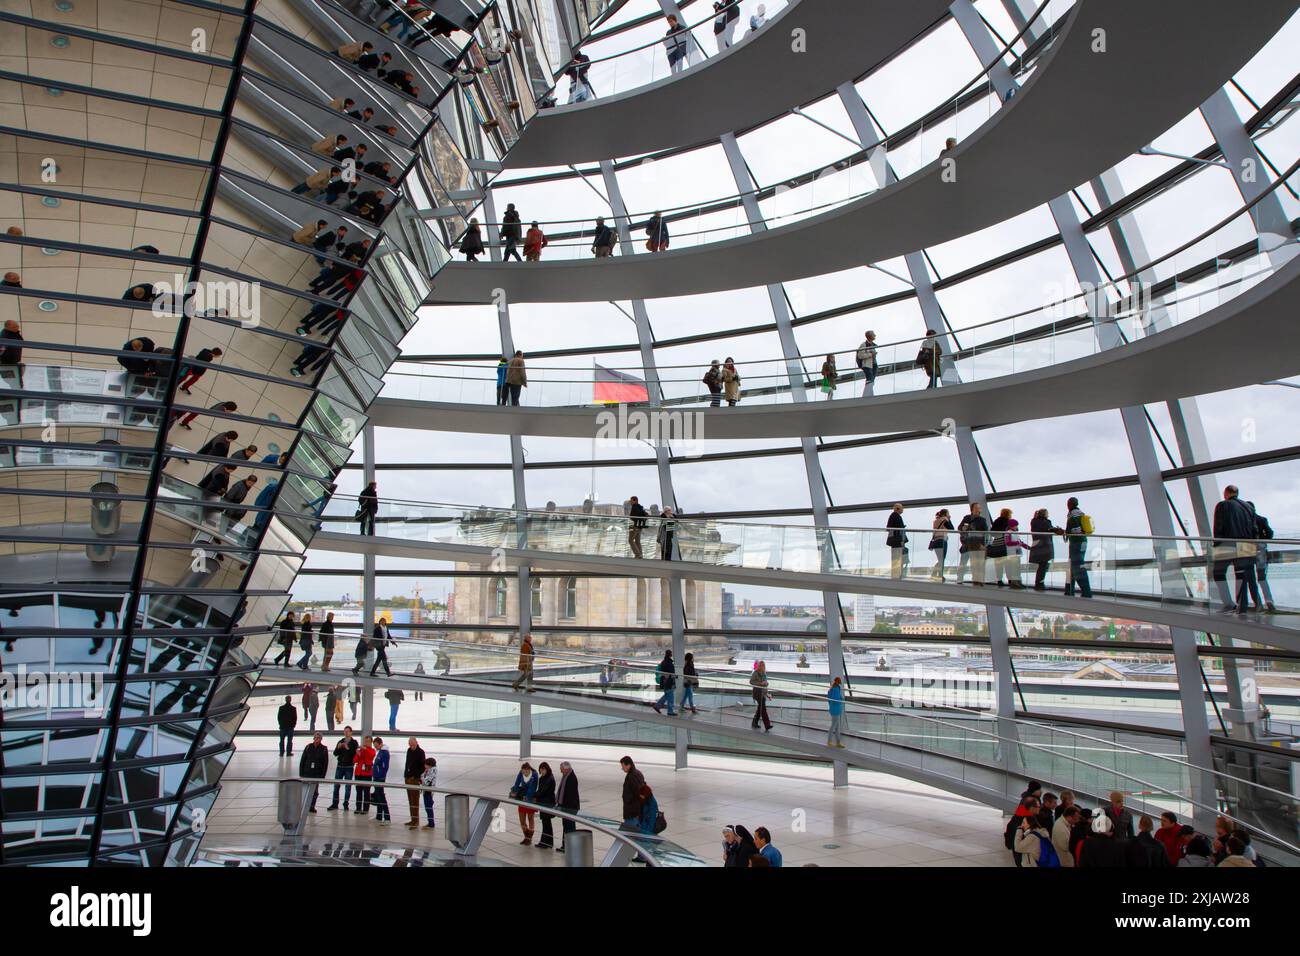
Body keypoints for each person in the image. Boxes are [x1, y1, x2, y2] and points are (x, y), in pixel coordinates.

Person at [1212, 484, 1262, 613]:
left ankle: (1229, 603)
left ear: (1227, 493)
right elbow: (1254, 529)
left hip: (1229, 546)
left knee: (1218, 572)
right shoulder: (1248, 507)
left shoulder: (1223, 505)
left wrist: (1217, 547)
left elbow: (1218, 527)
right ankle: (1248, 605)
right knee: (1244, 575)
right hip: (1247, 546)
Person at [1062, 497, 1094, 597]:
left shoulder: (1073, 514)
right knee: (1072, 566)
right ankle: (1069, 590)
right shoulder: (1080, 513)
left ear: (1070, 504)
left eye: (1068, 503)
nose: (1067, 505)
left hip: (1076, 542)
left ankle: (1086, 591)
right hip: (1083, 542)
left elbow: (1075, 530)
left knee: (1077, 566)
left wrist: (1064, 532)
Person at [1028, 508, 1062, 590]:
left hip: (1037, 546)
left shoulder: (1034, 521)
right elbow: (1051, 529)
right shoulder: (1046, 522)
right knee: (1043, 566)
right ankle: (1039, 584)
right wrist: (1058, 529)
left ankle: (1038, 583)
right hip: (1045, 546)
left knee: (1041, 566)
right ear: (1045, 514)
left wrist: (1034, 517)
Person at [327, 727, 358, 810]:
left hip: (349, 767)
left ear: (351, 732)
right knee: (336, 785)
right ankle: (335, 803)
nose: (346, 733)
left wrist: (347, 748)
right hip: (340, 766)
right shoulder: (340, 741)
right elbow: (335, 753)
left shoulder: (354, 743)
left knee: (348, 786)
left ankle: (345, 803)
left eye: (348, 731)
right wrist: (338, 747)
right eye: (345, 731)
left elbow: (354, 754)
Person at [300, 731, 329, 812]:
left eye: (318, 738)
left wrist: (322, 776)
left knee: (315, 792)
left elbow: (325, 763)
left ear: (321, 739)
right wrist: (301, 773)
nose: (316, 739)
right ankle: (304, 805)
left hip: (316, 774)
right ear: (313, 738)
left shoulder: (324, 749)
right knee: (305, 790)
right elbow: (303, 760)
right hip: (307, 772)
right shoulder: (308, 747)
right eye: (315, 737)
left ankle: (311, 806)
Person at [531, 761, 557, 849]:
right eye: (541, 770)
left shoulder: (549, 779)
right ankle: (547, 842)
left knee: (546, 823)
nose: (542, 771)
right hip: (543, 803)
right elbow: (540, 790)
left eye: (543, 769)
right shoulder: (543, 778)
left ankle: (545, 842)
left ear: (547, 769)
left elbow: (543, 791)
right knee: (546, 823)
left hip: (547, 804)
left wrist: (533, 795)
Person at [511, 762, 539, 844]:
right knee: (522, 820)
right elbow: (517, 783)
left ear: (528, 770)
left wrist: (527, 797)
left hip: (530, 800)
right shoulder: (521, 772)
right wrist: (515, 791)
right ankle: (526, 837)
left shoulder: (534, 775)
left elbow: (532, 788)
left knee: (531, 819)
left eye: (525, 772)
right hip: (522, 798)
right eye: (522, 772)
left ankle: (529, 838)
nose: (524, 774)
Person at [555, 761, 580, 851]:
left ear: (566, 769)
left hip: (570, 808)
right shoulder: (566, 776)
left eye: (561, 770)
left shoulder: (571, 778)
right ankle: (565, 845)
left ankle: (569, 846)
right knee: (566, 826)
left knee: (570, 827)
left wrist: (562, 806)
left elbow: (570, 796)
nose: (561, 771)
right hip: (566, 807)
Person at [403, 737, 426, 827]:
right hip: (408, 778)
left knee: (415, 800)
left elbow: (422, 767)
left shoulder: (421, 752)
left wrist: (415, 776)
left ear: (416, 743)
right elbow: (407, 763)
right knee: (410, 800)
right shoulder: (409, 751)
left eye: (413, 744)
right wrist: (406, 775)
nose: (411, 746)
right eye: (410, 745)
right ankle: (413, 819)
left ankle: (416, 821)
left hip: (414, 779)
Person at [619, 756, 646, 828]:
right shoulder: (635, 773)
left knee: (628, 835)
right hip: (633, 812)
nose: (622, 769)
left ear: (629, 765)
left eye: (623, 766)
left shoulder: (633, 776)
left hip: (632, 813)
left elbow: (639, 793)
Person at [352, 734, 375, 815]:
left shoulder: (372, 750)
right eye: (365, 741)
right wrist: (358, 754)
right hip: (359, 773)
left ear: (371, 742)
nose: (366, 743)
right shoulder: (360, 750)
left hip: (367, 774)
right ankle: (358, 808)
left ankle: (365, 809)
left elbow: (371, 756)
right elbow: (354, 761)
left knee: (366, 792)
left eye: (368, 741)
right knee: (358, 792)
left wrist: (365, 749)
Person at [929, 508, 954, 580]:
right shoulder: (944, 520)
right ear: (945, 514)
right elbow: (951, 528)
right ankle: (940, 575)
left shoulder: (935, 521)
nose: (949, 515)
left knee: (940, 559)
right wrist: (949, 519)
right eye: (948, 513)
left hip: (936, 541)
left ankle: (935, 574)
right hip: (942, 541)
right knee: (942, 559)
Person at [371, 736, 391, 824]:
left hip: (380, 778)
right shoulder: (380, 752)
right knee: (378, 796)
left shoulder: (384, 753)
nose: (375, 748)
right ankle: (379, 816)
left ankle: (387, 818)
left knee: (381, 797)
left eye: (376, 746)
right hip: (376, 777)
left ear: (380, 744)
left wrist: (379, 776)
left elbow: (384, 767)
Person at [886, 502, 908, 578]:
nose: (903, 509)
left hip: (896, 541)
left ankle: (896, 574)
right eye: (902, 508)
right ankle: (897, 575)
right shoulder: (895, 516)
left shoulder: (893, 516)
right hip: (897, 541)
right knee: (897, 557)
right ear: (898, 509)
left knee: (896, 557)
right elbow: (890, 528)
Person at [750, 660, 772, 731]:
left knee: (760, 709)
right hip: (757, 692)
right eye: (761, 665)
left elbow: (765, 684)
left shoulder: (764, 673)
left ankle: (754, 722)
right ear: (759, 666)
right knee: (763, 709)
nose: (762, 666)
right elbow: (751, 682)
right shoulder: (755, 673)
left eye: (763, 665)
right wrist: (760, 683)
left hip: (763, 693)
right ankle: (767, 725)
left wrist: (766, 684)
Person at [652, 649, 676, 715]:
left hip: (664, 681)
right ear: (670, 654)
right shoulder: (669, 663)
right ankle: (670, 711)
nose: (672, 654)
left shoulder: (663, 662)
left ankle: (657, 706)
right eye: (671, 653)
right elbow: (671, 673)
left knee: (667, 695)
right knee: (670, 696)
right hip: (669, 682)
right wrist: (675, 677)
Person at [855, 330, 878, 396]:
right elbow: (860, 355)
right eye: (874, 334)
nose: (875, 335)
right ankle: (867, 395)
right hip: (867, 365)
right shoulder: (864, 345)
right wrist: (871, 354)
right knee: (870, 380)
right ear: (870, 336)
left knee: (871, 381)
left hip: (873, 365)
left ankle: (869, 395)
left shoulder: (872, 345)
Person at [826, 675, 846, 747]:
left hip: (835, 709)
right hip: (835, 710)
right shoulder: (834, 689)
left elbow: (834, 699)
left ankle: (838, 742)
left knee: (837, 727)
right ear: (838, 682)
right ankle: (829, 741)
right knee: (834, 726)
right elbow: (836, 700)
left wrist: (841, 699)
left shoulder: (835, 688)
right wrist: (841, 700)